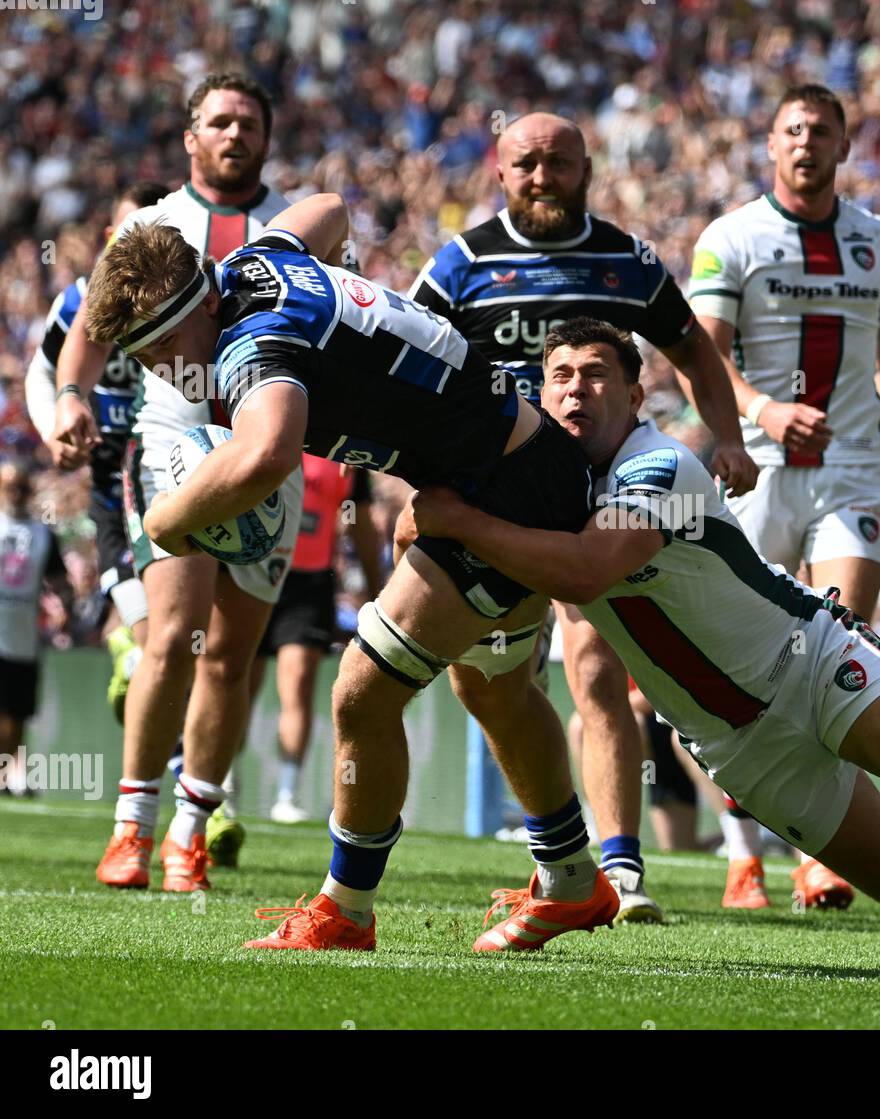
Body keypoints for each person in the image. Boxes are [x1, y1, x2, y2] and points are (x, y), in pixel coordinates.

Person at [406, 316, 880, 985]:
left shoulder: (661, 465)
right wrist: (434, 511)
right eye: (562, 376)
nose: (577, 389)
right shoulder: (545, 489)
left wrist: (460, 522)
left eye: (599, 375)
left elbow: (584, 571)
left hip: (813, 661)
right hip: (741, 749)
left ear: (636, 396)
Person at [83, 191, 613, 953]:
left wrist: (164, 519)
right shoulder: (256, 262)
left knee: (361, 693)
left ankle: (346, 909)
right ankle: (569, 878)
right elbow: (327, 206)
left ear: (184, 321)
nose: (163, 377)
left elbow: (266, 454)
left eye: (154, 356)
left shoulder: (248, 344)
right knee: (493, 686)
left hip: (502, 488)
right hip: (515, 455)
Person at [408, 111, 757, 922]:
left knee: (594, 665)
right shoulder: (461, 264)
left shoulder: (625, 261)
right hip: (493, 497)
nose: (543, 178)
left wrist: (731, 438)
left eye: (559, 163)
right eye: (526, 165)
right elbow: (412, 370)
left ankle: (621, 868)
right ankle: (556, 854)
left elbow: (695, 348)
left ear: (586, 169)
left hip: (600, 494)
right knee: (490, 684)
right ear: (500, 175)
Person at [50, 74, 305, 891]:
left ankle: (191, 830)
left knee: (232, 653)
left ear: (267, 136)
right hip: (172, 445)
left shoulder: (291, 226)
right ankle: (131, 826)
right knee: (172, 633)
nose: (235, 134)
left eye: (249, 123)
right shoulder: (150, 225)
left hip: (270, 450)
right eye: (219, 121)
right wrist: (67, 396)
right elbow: (90, 332)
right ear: (190, 137)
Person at [687, 84, 880, 909]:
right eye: (793, 130)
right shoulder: (732, 237)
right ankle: (742, 853)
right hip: (751, 470)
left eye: (823, 131)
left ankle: (824, 855)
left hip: (853, 471)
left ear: (845, 147)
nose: (807, 143)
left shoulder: (877, 241)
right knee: (735, 667)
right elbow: (700, 355)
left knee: (839, 651)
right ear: (772, 144)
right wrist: (760, 410)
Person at [25, 182, 169, 723]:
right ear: (112, 234)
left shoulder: (189, 308)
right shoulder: (77, 302)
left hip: (175, 474)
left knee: (180, 643)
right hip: (112, 480)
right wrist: (53, 427)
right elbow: (42, 372)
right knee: (155, 637)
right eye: (128, 230)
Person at [251, 458, 381, 824]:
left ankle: (286, 793)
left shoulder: (348, 456)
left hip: (309, 583)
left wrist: (376, 591)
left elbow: (361, 524)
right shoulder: (266, 426)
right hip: (254, 570)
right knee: (238, 680)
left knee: (298, 682)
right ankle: (222, 786)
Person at [0, 461, 71, 795]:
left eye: (21, 486)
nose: (16, 493)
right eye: (9, 485)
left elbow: (58, 580)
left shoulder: (42, 533)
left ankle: (8, 775)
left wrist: (62, 604)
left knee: (18, 711)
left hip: (22, 636)